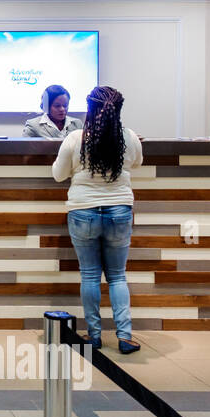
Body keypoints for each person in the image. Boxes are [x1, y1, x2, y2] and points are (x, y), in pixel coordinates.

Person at [51, 85, 143, 354]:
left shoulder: (75, 138)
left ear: (89, 108)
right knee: (117, 276)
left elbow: (58, 175)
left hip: (83, 211)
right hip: (119, 210)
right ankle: (125, 337)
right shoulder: (130, 138)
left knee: (90, 276)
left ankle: (94, 337)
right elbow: (136, 164)